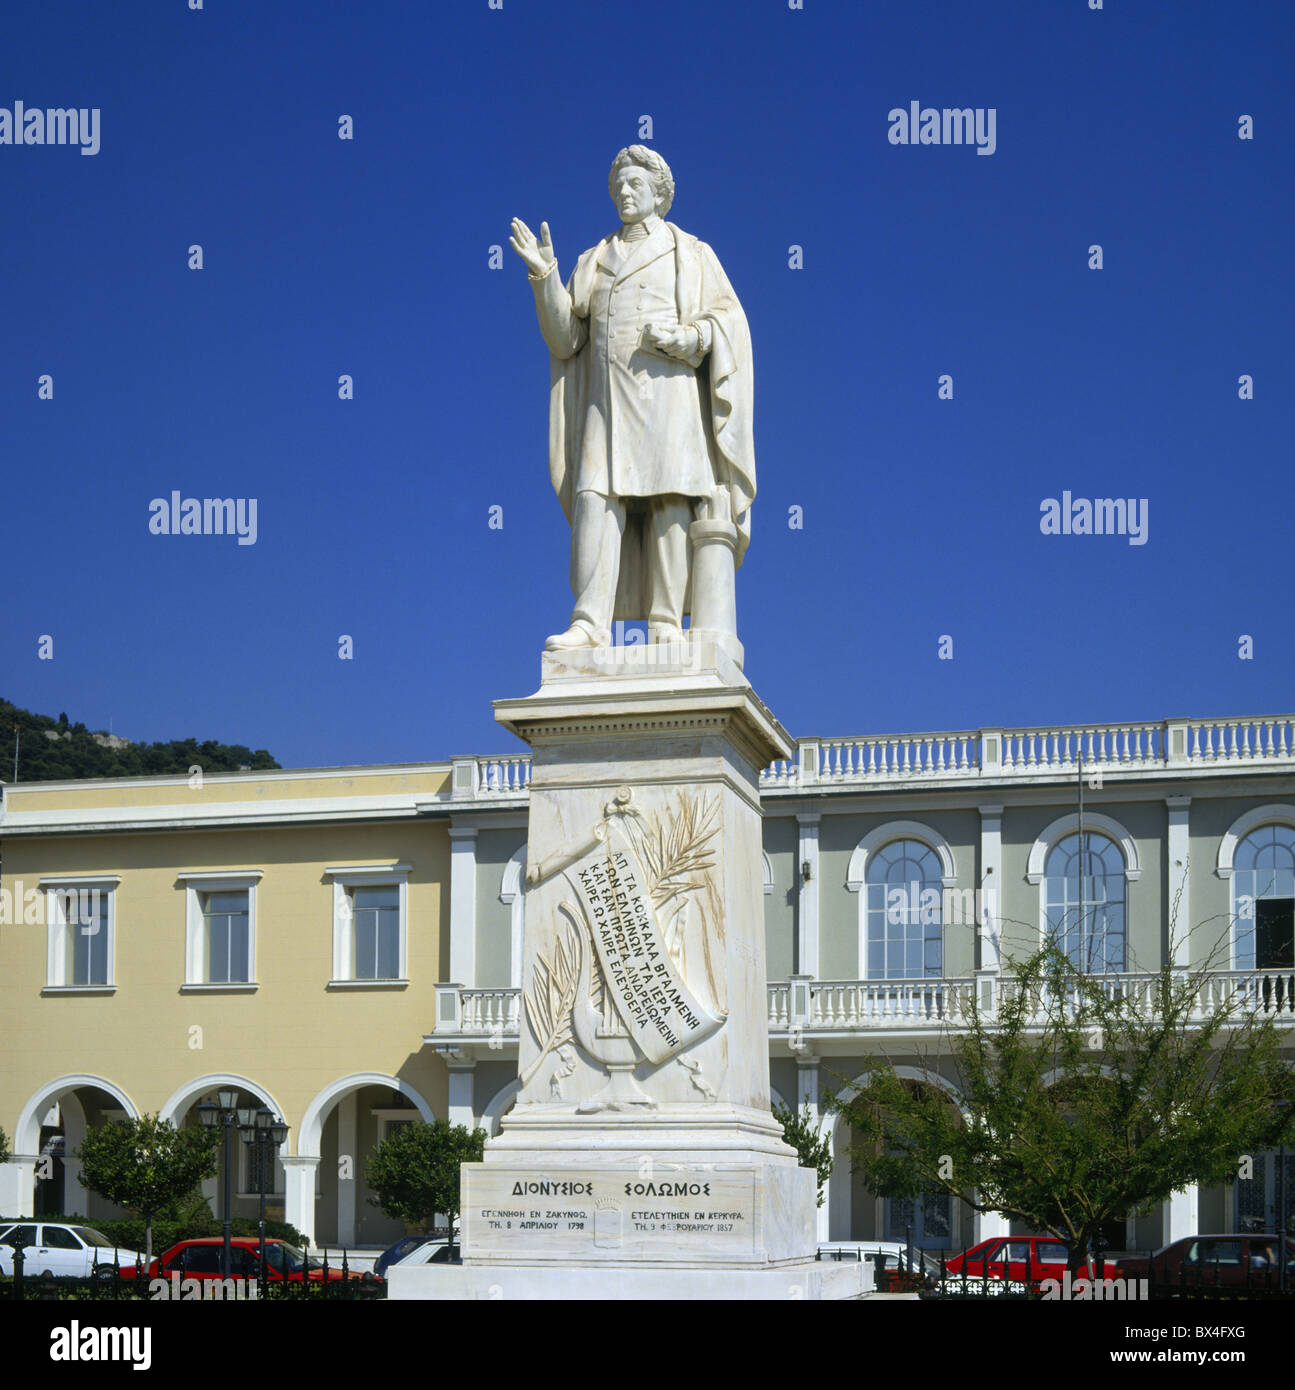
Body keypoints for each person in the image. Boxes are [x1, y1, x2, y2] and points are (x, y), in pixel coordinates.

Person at [510, 146, 755, 651]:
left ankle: (666, 621)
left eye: (635, 183)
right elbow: (565, 340)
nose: (624, 191)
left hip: (668, 393)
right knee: (595, 499)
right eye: (618, 183)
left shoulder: (691, 253)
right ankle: (590, 621)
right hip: (605, 401)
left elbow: (730, 319)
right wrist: (544, 277)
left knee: (670, 498)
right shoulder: (593, 259)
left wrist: (694, 340)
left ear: (660, 193)